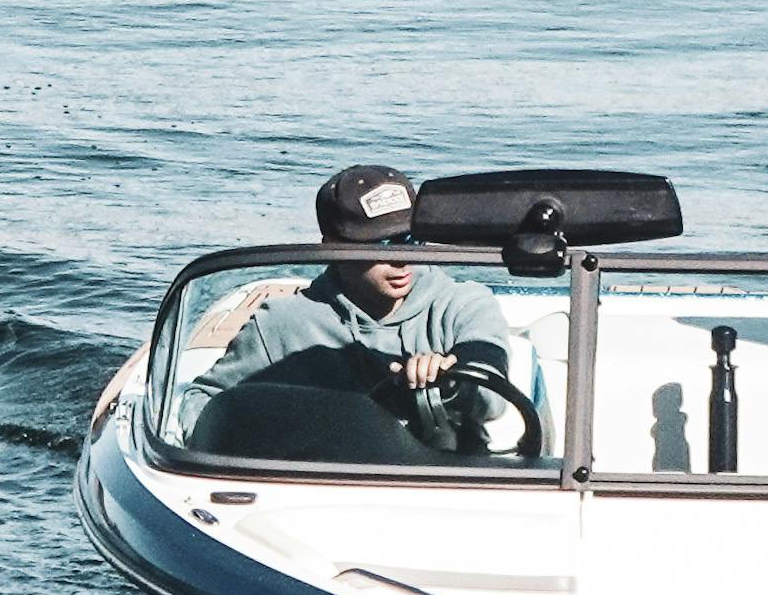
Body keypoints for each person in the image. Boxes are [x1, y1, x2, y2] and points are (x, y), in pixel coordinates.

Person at [191, 164, 523, 459]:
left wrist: (452, 385)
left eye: (412, 239)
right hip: (321, 486)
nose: (402, 257)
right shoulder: (279, 324)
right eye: (382, 245)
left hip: (444, 480)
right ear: (331, 248)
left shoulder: (463, 304)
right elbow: (202, 404)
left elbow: (492, 396)